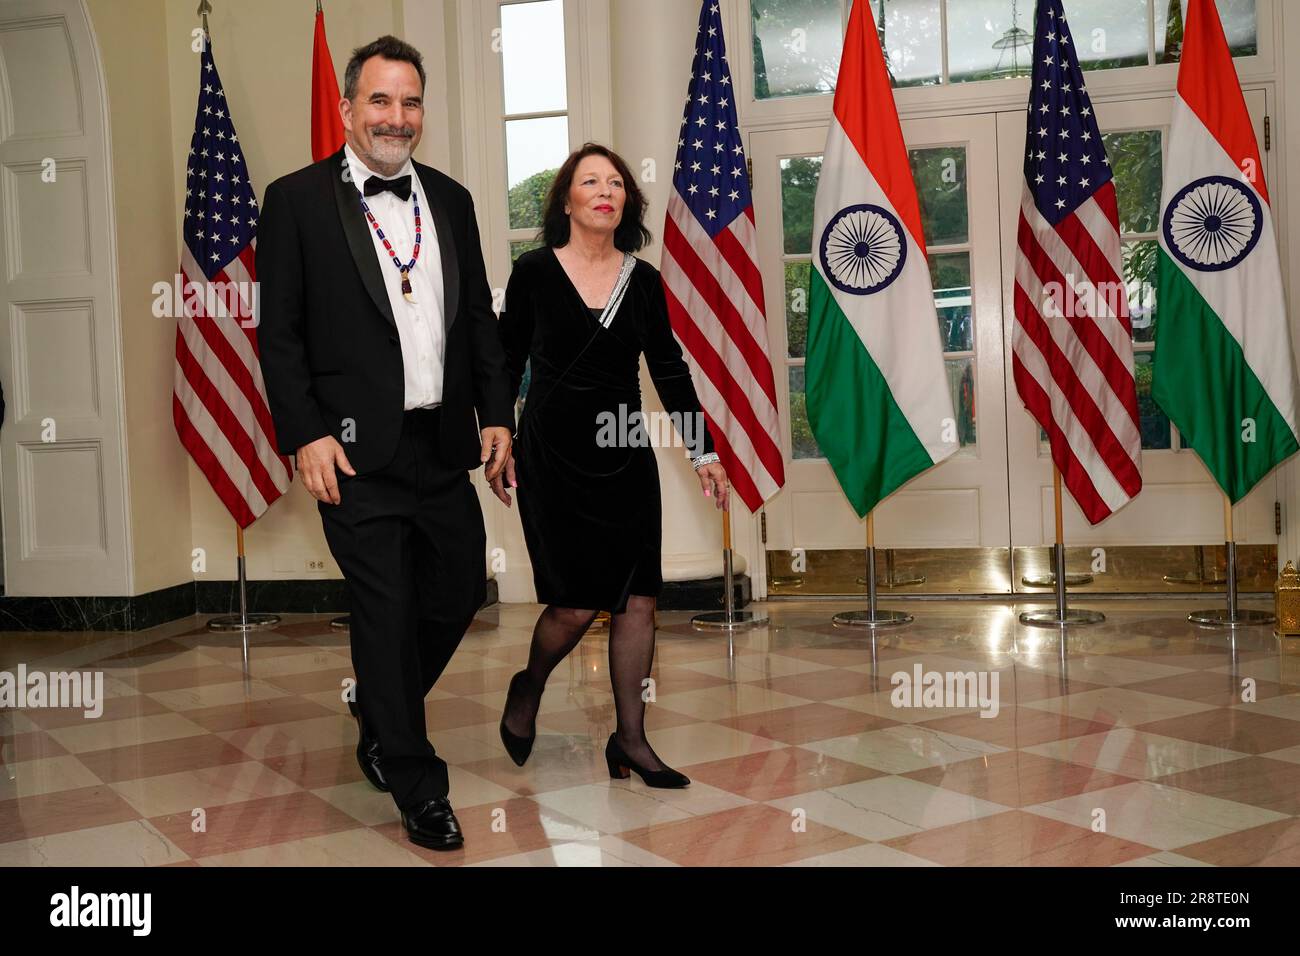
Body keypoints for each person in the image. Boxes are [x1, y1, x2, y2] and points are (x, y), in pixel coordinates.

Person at [257, 36, 514, 851]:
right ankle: (415, 779)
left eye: (409, 103)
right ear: (347, 108)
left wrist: (497, 414)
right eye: (379, 100)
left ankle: (377, 703)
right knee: (386, 606)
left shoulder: (452, 199)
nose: (395, 117)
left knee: (459, 587)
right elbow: (282, 334)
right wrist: (304, 434)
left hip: (440, 441)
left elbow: (477, 319)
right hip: (350, 450)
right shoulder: (295, 200)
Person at [491, 144, 729, 788]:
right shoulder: (534, 272)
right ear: (565, 198)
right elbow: (507, 361)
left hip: (624, 452)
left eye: (617, 183)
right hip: (553, 453)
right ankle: (529, 684)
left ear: (627, 200)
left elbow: (670, 370)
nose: (605, 190)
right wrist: (500, 435)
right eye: (590, 181)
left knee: (638, 602)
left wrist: (703, 449)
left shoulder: (643, 279)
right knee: (573, 605)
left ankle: (631, 739)